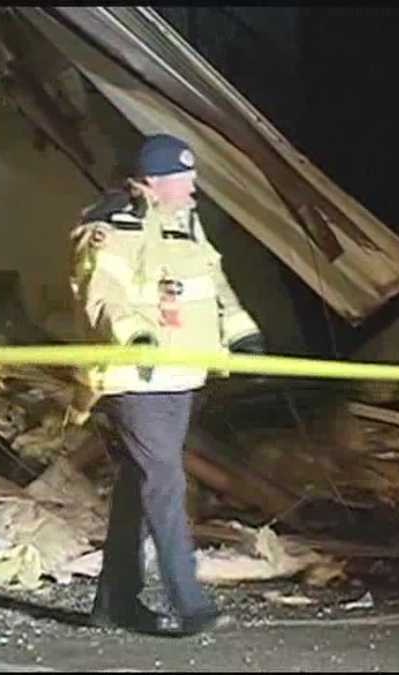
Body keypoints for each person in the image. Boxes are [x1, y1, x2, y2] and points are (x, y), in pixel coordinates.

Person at [69, 134, 264, 635]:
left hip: (182, 378)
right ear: (152, 182)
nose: (194, 189)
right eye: (184, 179)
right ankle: (189, 601)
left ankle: (115, 602)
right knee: (166, 482)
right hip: (135, 377)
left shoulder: (188, 227)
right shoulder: (111, 228)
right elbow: (102, 297)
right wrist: (133, 333)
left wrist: (243, 333)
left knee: (139, 485)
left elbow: (215, 285)